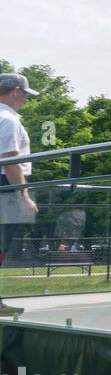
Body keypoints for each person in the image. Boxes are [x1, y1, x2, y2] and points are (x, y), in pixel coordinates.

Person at [0, 73, 40, 317]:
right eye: (25, 94)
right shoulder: (8, 120)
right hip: (6, 186)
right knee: (1, 244)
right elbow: (12, 161)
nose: (26, 99)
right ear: (15, 91)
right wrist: (24, 195)